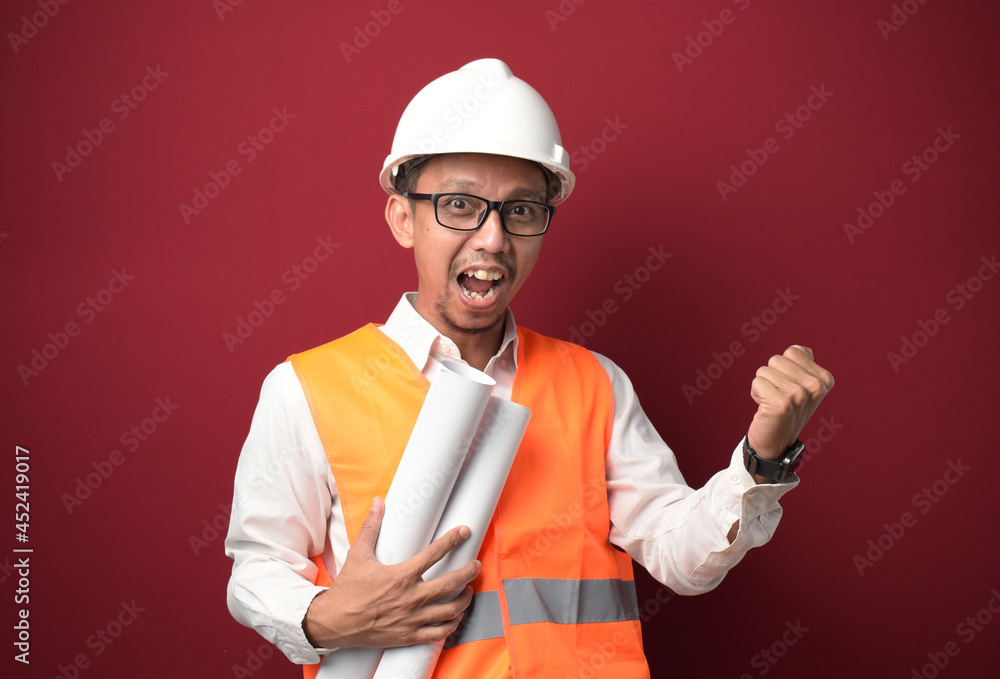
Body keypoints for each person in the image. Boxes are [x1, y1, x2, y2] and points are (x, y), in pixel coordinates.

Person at [225, 58, 834, 678]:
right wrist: (326, 617)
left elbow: (682, 557)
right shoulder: (309, 389)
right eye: (459, 204)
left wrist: (763, 457)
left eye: (520, 210)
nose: (492, 238)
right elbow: (258, 566)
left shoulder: (594, 385)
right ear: (403, 218)